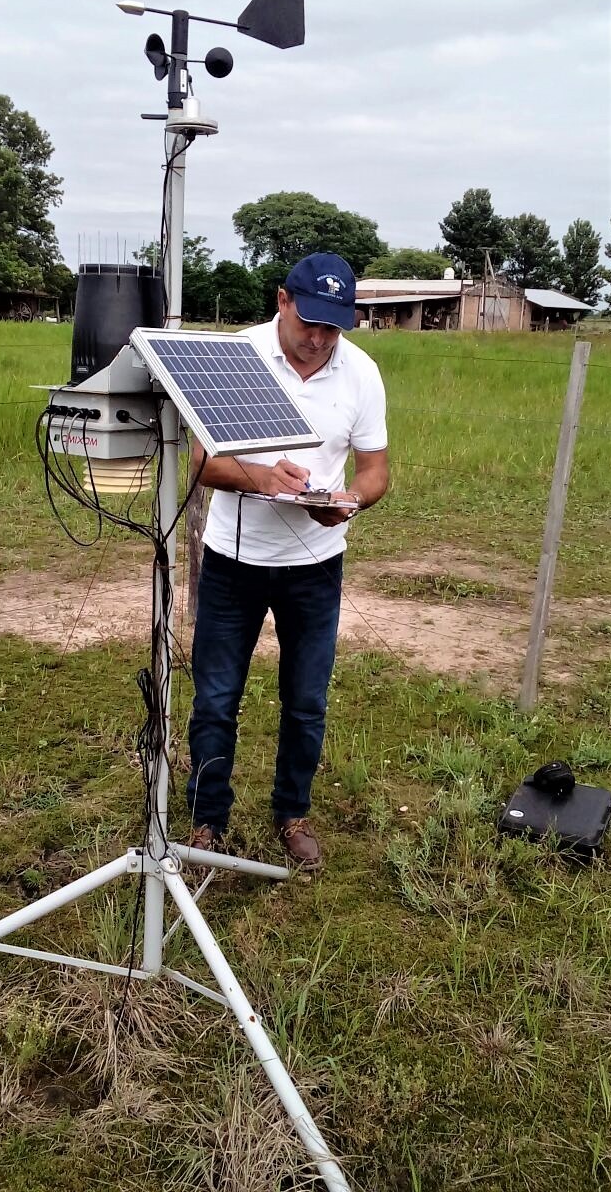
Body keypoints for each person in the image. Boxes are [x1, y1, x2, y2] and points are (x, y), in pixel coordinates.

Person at [186, 251, 388, 870]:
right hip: (233, 561)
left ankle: (292, 813)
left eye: (333, 326)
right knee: (217, 697)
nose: (319, 338)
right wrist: (264, 478)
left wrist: (348, 502)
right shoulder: (237, 357)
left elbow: (375, 470)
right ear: (282, 300)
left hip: (317, 565)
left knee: (306, 700)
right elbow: (201, 462)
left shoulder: (361, 374)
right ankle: (207, 821)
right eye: (310, 322)